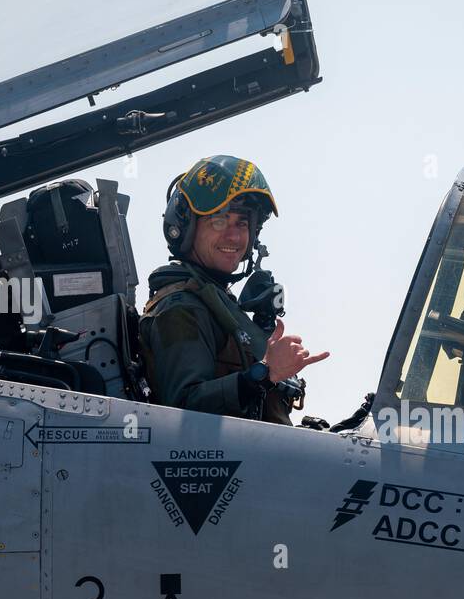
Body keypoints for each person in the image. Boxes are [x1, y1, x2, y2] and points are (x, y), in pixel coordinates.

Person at [139, 156, 328, 423]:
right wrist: (264, 373)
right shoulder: (181, 308)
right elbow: (183, 410)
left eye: (242, 223)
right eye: (219, 221)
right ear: (187, 228)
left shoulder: (219, 303)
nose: (234, 236)